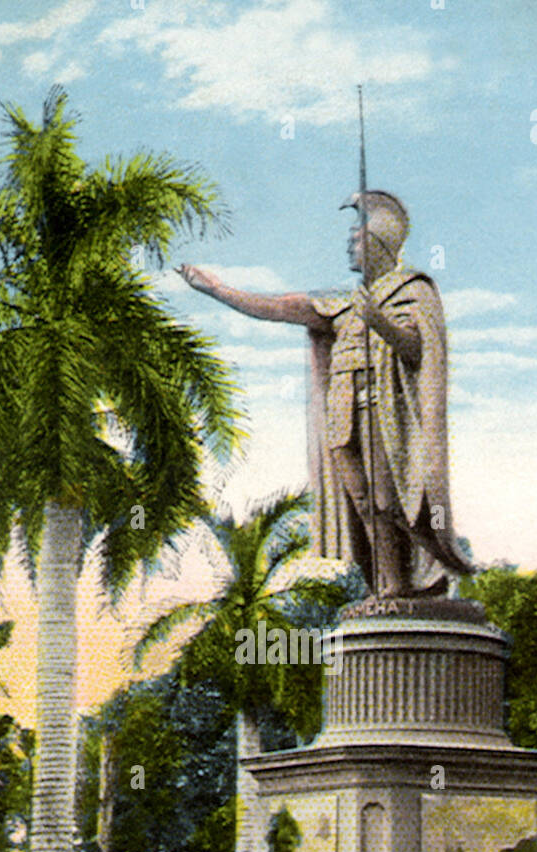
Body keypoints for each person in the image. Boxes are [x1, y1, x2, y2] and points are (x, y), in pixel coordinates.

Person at [179, 190, 471, 597]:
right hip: (342, 416)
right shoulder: (345, 305)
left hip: (381, 413)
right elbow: (281, 307)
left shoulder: (412, 290)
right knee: (365, 505)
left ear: (378, 243)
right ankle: (390, 587)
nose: (348, 247)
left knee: (391, 501)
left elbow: (416, 350)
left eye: (355, 239)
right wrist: (216, 290)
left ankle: (420, 574)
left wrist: (378, 321)